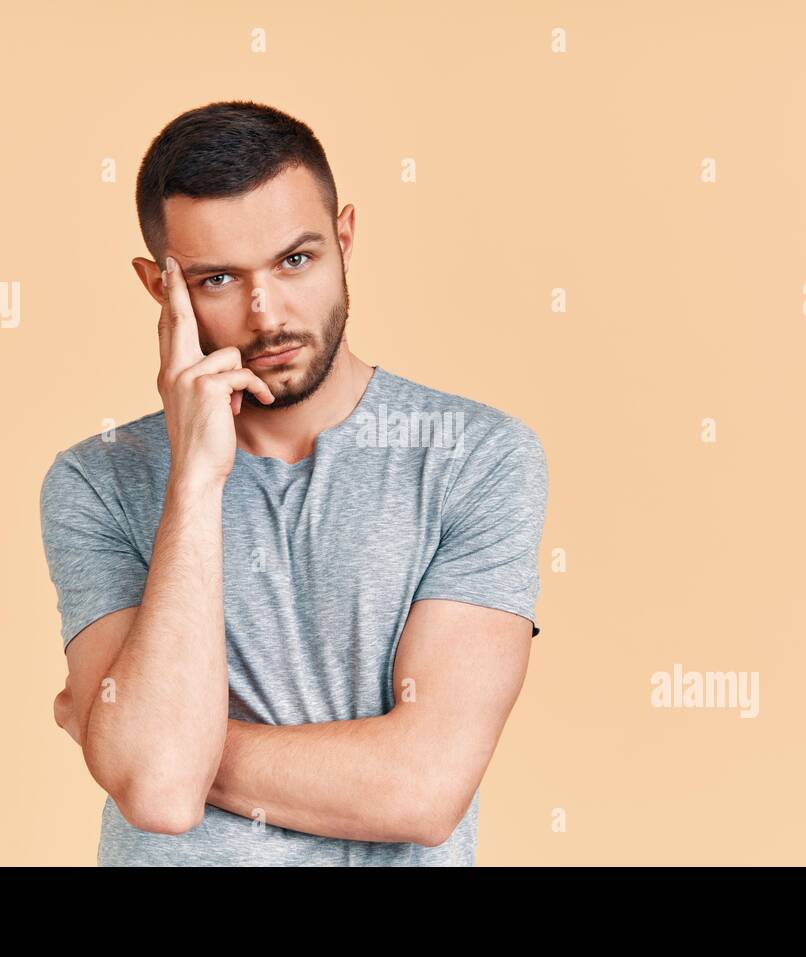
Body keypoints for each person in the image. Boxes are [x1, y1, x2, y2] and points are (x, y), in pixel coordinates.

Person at [39, 100, 548, 865]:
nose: (266, 313)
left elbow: (423, 787)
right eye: (217, 279)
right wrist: (195, 479)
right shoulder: (98, 478)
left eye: (296, 260)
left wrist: (165, 743)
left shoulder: (476, 456)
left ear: (345, 238)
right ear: (160, 289)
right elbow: (158, 794)